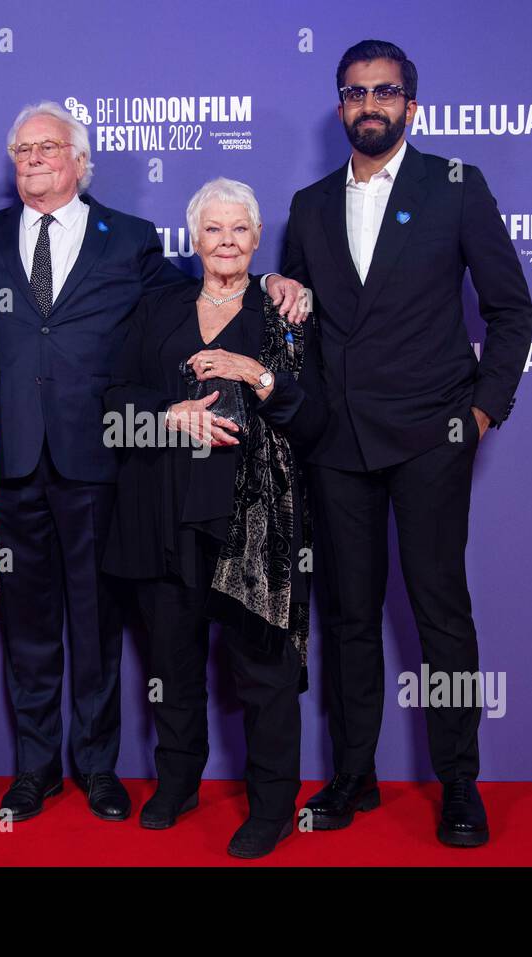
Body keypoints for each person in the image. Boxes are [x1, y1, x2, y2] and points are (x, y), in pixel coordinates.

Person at [0, 103, 310, 824]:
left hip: (99, 461)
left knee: (96, 627)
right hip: (15, 460)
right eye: (21, 148)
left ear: (80, 161)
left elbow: (212, 279)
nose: (33, 159)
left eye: (49, 147)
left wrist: (277, 278)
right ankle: (35, 770)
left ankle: (96, 768)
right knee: (27, 628)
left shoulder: (131, 239)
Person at [278, 39, 532, 846]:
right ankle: (355, 775)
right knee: (350, 616)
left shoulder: (456, 187)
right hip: (338, 446)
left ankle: (460, 781)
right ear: (341, 104)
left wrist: (483, 411)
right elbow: (300, 326)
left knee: (439, 611)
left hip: (431, 436)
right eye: (355, 93)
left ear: (411, 106)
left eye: (385, 92)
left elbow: (511, 309)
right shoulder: (309, 204)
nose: (370, 105)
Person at [104, 178, 327, 859]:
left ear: (257, 241)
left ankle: (271, 805)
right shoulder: (158, 306)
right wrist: (167, 415)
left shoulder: (283, 309)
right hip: (163, 514)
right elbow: (111, 405)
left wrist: (254, 373)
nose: (226, 240)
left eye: (239, 230)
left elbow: (313, 419)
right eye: (213, 229)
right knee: (170, 662)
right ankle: (176, 783)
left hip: (253, 526)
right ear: (193, 239)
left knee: (263, 674)